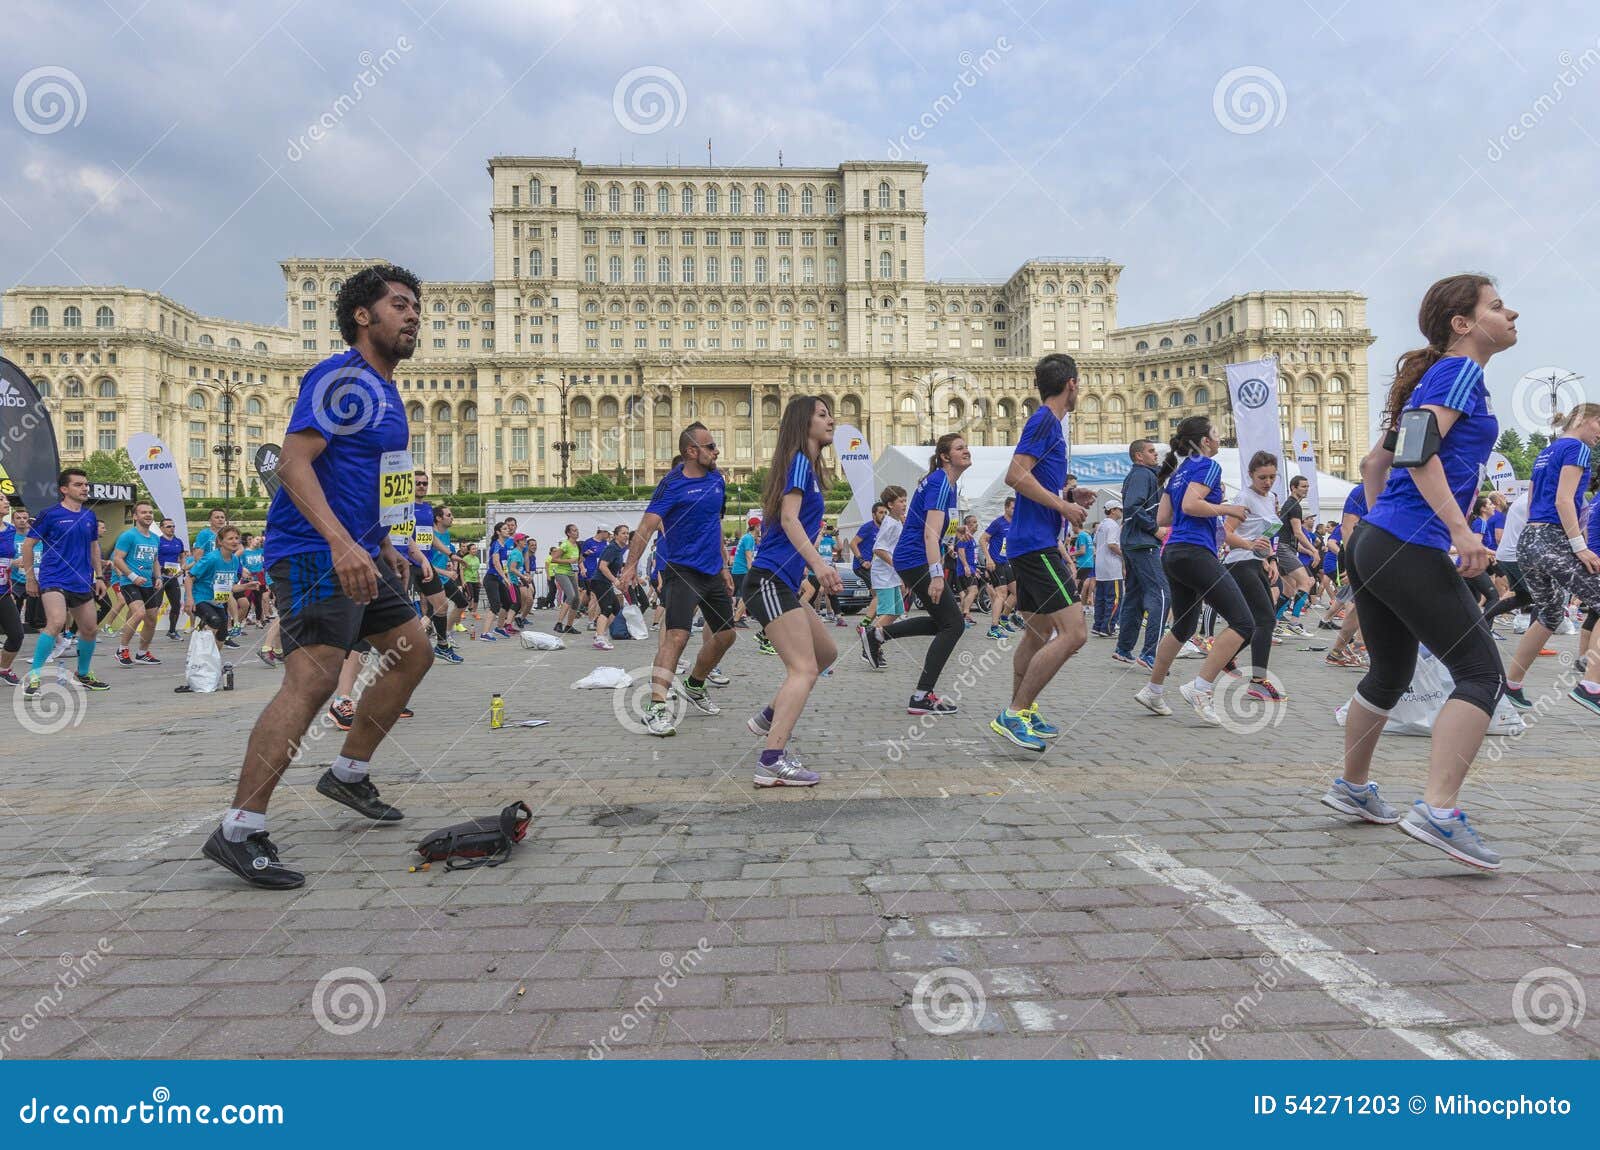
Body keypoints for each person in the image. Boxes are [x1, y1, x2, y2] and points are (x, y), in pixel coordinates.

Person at [204, 264, 434, 890]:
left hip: (362, 551)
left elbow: (378, 478)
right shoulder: (340, 377)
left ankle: (348, 775)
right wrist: (339, 543)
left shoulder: (387, 392)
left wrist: (386, 540)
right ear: (363, 316)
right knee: (313, 680)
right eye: (399, 304)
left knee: (414, 652)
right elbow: (293, 463)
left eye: (416, 306)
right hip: (314, 550)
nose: (413, 315)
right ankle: (239, 829)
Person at [1322, 273, 1514, 871]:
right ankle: (1439, 809)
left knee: (1390, 671)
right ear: (1463, 324)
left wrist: (1381, 522)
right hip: (1406, 542)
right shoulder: (1460, 372)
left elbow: (1374, 460)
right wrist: (1459, 530)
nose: (1511, 314)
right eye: (1497, 306)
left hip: (1380, 541)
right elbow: (1415, 455)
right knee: (1482, 674)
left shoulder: (1439, 377)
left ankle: (1353, 787)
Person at [988, 354, 1093, 751]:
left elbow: (1032, 482)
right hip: (1036, 546)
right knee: (1075, 633)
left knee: (1039, 632)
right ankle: (1014, 712)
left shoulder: (1051, 424)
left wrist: (1068, 495)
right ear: (1071, 383)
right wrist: (1063, 506)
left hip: (1029, 542)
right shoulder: (1044, 420)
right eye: (1079, 384)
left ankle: (1023, 711)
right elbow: (1015, 475)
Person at [1132, 416, 1256, 726]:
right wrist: (1227, 508)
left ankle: (1153, 689)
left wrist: (1209, 507)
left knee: (1185, 626)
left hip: (1173, 553)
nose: (1219, 438)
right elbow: (1190, 506)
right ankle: (1200, 688)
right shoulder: (1208, 466)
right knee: (1243, 622)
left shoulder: (1177, 471)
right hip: (1194, 552)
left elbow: (1163, 517)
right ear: (1203, 442)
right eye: (1215, 434)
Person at [742, 396, 839, 786]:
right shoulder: (799, 461)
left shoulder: (809, 468)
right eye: (822, 414)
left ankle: (769, 715)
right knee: (804, 669)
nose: (831, 420)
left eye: (830, 413)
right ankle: (771, 760)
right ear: (803, 423)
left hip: (781, 581)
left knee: (827, 652)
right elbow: (788, 518)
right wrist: (818, 564)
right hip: (766, 580)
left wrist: (802, 571)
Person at [622, 422, 738, 737]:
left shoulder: (717, 480)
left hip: (712, 569)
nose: (716, 451)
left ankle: (695, 684)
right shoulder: (671, 485)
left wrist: (725, 567)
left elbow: (715, 525)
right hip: (680, 569)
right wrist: (630, 565)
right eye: (710, 446)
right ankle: (656, 707)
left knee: (727, 636)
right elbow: (646, 527)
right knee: (677, 636)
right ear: (691, 451)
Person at [861, 434, 971, 715]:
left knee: (943, 623)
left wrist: (954, 531)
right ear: (945, 456)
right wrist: (937, 575)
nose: (967, 451)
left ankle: (879, 634)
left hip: (913, 559)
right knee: (954, 625)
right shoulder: (939, 482)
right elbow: (928, 532)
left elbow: (933, 525)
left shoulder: (947, 484)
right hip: (916, 559)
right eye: (960, 448)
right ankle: (922, 695)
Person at [1501, 404, 1600, 713]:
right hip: (1553, 539)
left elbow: (1533, 499)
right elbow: (1563, 500)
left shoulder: (1548, 451)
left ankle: (1512, 684)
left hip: (1530, 539)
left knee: (1550, 614)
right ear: (1583, 419)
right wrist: (1578, 545)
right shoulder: (1578, 449)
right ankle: (1591, 686)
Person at [21, 468, 111, 695]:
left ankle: (83, 674)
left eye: (86, 484)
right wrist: (31, 578)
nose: (84, 488)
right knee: (57, 622)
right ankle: (33, 677)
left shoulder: (89, 515)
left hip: (81, 580)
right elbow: (28, 545)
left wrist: (98, 576)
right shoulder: (49, 514)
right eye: (78, 485)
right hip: (54, 577)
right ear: (64, 489)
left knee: (90, 629)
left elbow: (93, 547)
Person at [1221, 452, 1287, 701]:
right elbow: (1226, 533)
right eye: (1262, 477)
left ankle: (1226, 658)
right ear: (1251, 475)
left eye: (1272, 477)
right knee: (1266, 621)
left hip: (1257, 563)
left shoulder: (1270, 498)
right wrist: (1249, 545)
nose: (1267, 482)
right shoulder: (1244, 497)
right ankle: (1258, 682)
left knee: (1251, 623)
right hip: (1239, 563)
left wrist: (1269, 559)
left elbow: (1266, 533)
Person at [1113, 439, 1168, 669]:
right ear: (1138, 456)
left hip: (1135, 542)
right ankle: (1149, 653)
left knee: (1135, 597)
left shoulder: (1148, 475)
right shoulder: (1142, 475)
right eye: (1151, 451)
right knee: (1162, 594)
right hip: (1142, 542)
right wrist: (1154, 528)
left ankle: (1124, 648)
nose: (1156, 455)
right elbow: (1133, 506)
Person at [109, 500, 164, 667]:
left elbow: (155, 560)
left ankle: (142, 653)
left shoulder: (155, 538)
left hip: (148, 584)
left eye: (150, 512)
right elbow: (117, 559)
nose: (148, 515)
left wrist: (159, 577)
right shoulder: (128, 536)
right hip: (129, 582)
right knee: (139, 614)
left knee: (152, 619)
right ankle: (122, 649)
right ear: (135, 516)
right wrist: (132, 576)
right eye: (143, 512)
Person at [185, 524, 249, 649]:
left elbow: (231, 587)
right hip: (201, 598)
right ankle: (200, 657)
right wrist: (189, 599)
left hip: (218, 601)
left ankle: (214, 663)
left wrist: (247, 586)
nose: (235, 541)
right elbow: (189, 578)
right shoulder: (211, 558)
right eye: (230, 538)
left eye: (237, 538)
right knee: (214, 621)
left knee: (222, 636)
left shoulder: (235, 560)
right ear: (220, 541)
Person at [1274, 475, 1315, 636]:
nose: (1306, 489)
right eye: (1303, 486)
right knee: (1306, 581)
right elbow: (1298, 532)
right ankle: (1294, 622)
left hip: (1285, 548)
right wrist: (1313, 550)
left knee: (1288, 590)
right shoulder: (1294, 505)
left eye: (1307, 486)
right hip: (1284, 548)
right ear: (1293, 487)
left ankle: (1275, 623)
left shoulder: (1290, 504)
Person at [869, 486, 908, 630]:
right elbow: (878, 549)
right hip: (883, 575)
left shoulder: (897, 522)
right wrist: (896, 565)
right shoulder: (889, 523)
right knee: (887, 612)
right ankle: (870, 638)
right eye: (901, 501)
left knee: (897, 612)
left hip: (892, 575)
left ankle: (875, 636)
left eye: (905, 501)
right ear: (890, 505)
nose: (904, 504)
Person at [981, 497, 1017, 639]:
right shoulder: (998, 523)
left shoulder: (1016, 523)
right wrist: (988, 559)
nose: (1015, 510)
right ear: (1006, 508)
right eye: (1013, 508)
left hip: (1007, 562)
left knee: (1017, 592)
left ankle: (1003, 618)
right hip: (995, 562)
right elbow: (982, 539)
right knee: (1001, 594)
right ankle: (993, 628)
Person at [593, 524, 630, 651]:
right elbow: (603, 566)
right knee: (606, 609)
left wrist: (619, 579)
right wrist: (615, 580)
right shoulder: (612, 548)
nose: (626, 536)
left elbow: (615, 568)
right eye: (623, 533)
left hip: (606, 582)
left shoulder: (619, 550)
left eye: (627, 533)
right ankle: (599, 637)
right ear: (615, 535)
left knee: (616, 608)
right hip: (599, 581)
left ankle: (600, 633)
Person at [848, 503, 884, 627]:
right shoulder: (868, 527)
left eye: (885, 512)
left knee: (878, 596)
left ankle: (870, 624)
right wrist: (861, 560)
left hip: (875, 567)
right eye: (880, 512)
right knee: (879, 594)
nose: (883, 515)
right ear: (874, 514)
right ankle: (865, 625)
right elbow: (853, 543)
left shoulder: (884, 528)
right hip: (862, 566)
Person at [1091, 503, 1123, 637]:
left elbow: (1095, 543)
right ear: (1113, 510)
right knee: (1115, 598)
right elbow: (1111, 544)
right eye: (1120, 509)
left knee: (1101, 599)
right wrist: (1124, 554)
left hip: (1101, 567)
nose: (1121, 512)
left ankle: (1098, 625)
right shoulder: (1113, 525)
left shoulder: (1101, 526)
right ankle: (1108, 627)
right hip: (1112, 567)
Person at [0, 494, 22, 684]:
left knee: (16, 634)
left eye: (6, 499)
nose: (6, 502)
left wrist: (17, 563)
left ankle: (4, 669)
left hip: (3, 593)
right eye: (1, 499)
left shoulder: (11, 531)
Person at [155, 518, 187, 640]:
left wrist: (182, 569)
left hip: (172, 577)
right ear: (162, 528)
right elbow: (154, 558)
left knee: (176, 605)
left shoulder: (178, 541)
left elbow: (182, 557)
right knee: (156, 605)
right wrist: (161, 569)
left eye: (173, 526)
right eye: (168, 526)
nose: (171, 528)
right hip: (159, 576)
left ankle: (172, 631)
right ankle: (149, 629)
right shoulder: (158, 541)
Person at [548, 524, 583, 634]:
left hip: (571, 573)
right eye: (573, 531)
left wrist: (584, 556)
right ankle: (558, 623)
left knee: (577, 599)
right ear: (568, 533)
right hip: (561, 573)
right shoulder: (565, 545)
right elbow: (553, 559)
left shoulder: (576, 545)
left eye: (577, 530)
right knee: (571, 596)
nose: (576, 532)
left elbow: (576, 561)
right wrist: (568, 561)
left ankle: (569, 626)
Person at [731, 514, 760, 630]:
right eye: (759, 526)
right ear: (756, 526)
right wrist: (751, 572)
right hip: (742, 570)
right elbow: (749, 556)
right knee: (747, 595)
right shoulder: (749, 538)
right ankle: (736, 619)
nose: (760, 528)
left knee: (744, 594)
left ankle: (737, 617)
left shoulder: (747, 537)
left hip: (738, 570)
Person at [1071, 518, 1095, 611]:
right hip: (1089, 563)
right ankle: (1084, 607)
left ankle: (1074, 606)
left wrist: (1070, 554)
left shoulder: (1081, 535)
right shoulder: (1087, 535)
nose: (1072, 529)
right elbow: (1092, 550)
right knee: (1084, 586)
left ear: (1076, 525)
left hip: (1083, 564)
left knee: (1075, 585)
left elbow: (1082, 551)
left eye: (1072, 526)